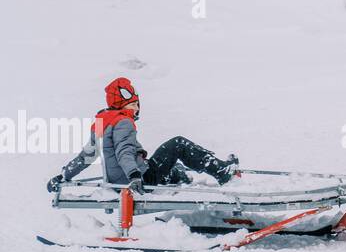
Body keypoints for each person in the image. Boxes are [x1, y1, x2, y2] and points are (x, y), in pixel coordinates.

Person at [47, 78, 239, 194]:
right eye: (135, 103)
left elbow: (87, 156)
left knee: (173, 167)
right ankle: (222, 171)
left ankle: (184, 178)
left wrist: (63, 175)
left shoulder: (102, 121)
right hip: (138, 181)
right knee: (178, 144)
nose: (137, 107)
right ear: (127, 103)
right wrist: (134, 176)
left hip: (120, 180)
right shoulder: (123, 122)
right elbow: (124, 151)